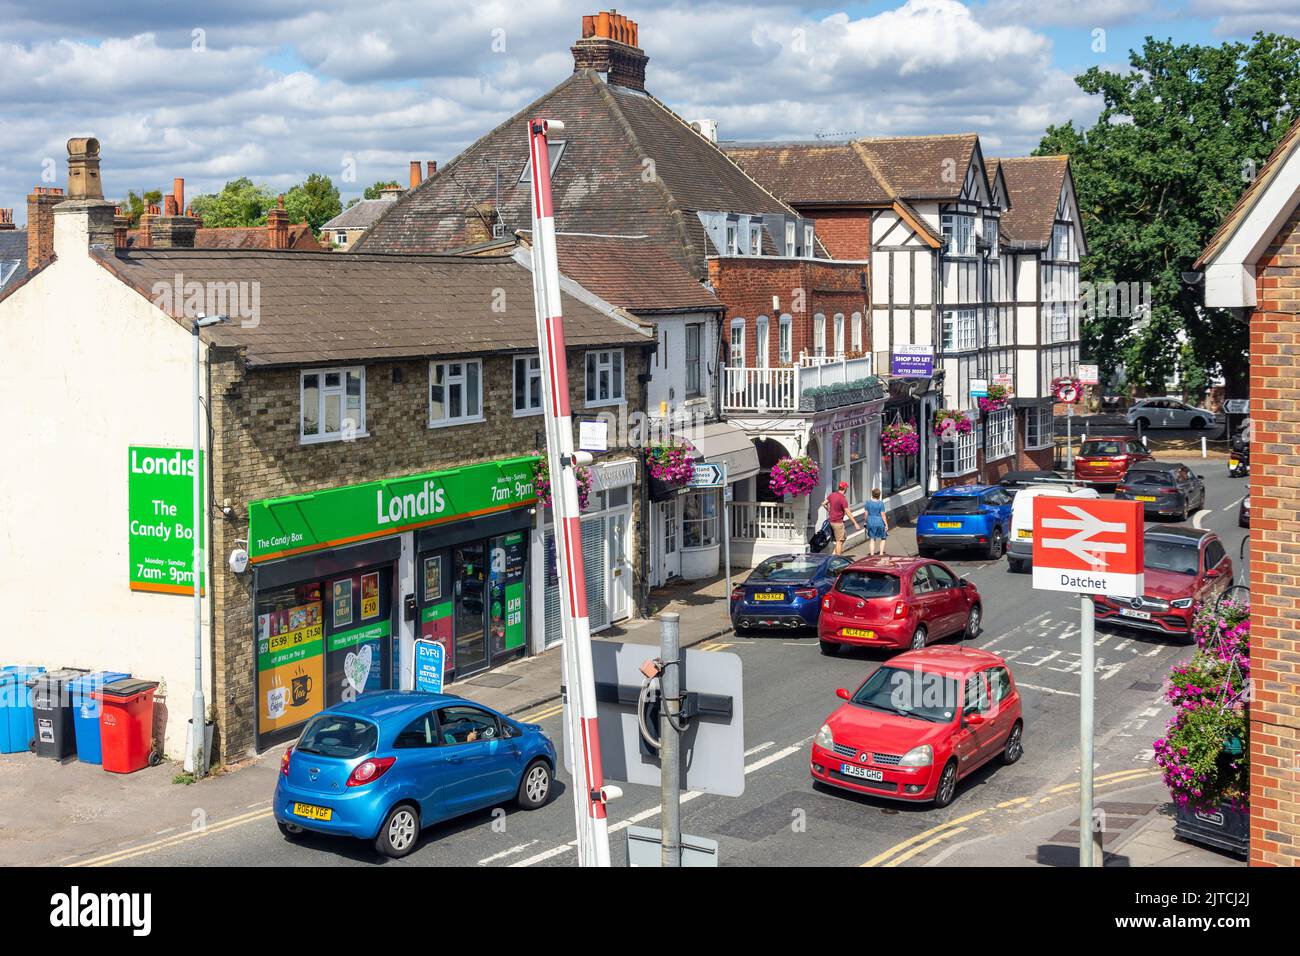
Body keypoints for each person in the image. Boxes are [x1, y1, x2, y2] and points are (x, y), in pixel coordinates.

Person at [824, 481, 861, 556]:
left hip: (831, 521)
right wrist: (855, 523)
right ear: (845, 488)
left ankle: (834, 554)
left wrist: (829, 510)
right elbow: (848, 512)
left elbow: (823, 503)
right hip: (838, 523)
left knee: (843, 538)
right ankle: (837, 558)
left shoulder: (832, 495)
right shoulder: (842, 499)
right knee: (839, 541)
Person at [865, 488, 889, 555]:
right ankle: (881, 553)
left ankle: (872, 554)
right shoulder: (881, 504)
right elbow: (883, 515)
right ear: (879, 495)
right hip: (879, 522)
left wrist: (865, 521)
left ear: (872, 494)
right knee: (883, 538)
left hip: (870, 521)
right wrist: (886, 524)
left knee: (872, 539)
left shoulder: (868, 503)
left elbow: (866, 513)